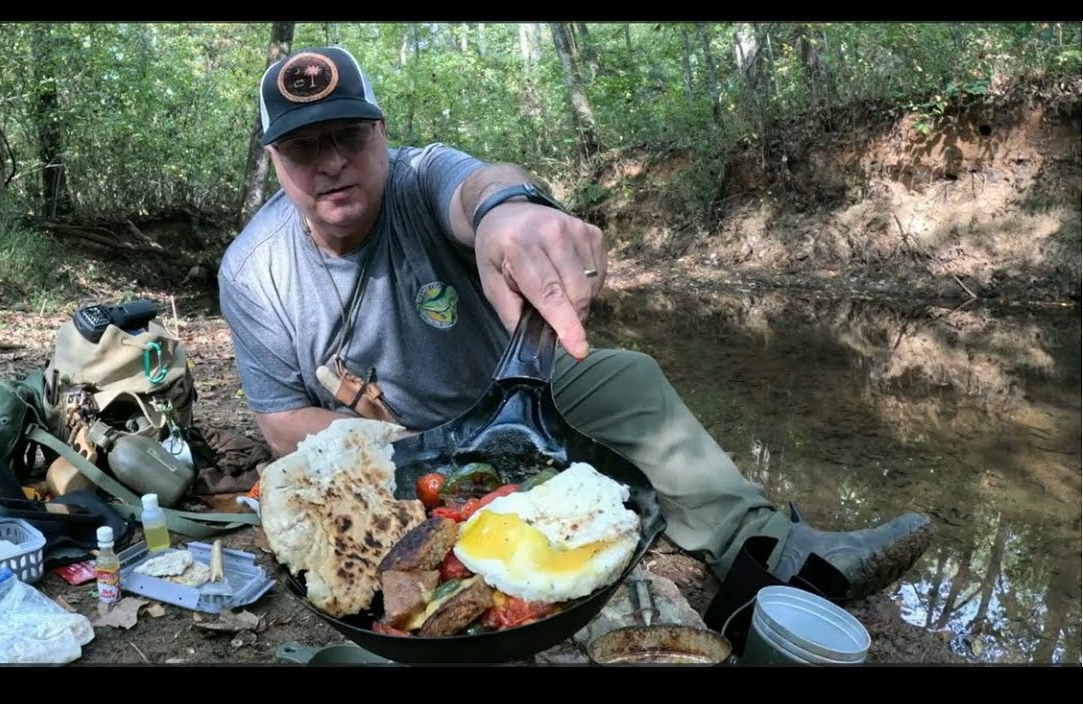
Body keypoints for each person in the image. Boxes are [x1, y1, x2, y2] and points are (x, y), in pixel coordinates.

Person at [218, 45, 932, 602]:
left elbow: (478, 188)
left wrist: (513, 211)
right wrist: (423, 448)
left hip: (516, 392)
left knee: (628, 378)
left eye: (348, 134)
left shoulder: (421, 175)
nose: (332, 162)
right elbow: (282, 424)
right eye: (304, 147)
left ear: (380, 132)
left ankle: (773, 552)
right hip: (400, 447)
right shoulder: (253, 272)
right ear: (275, 159)